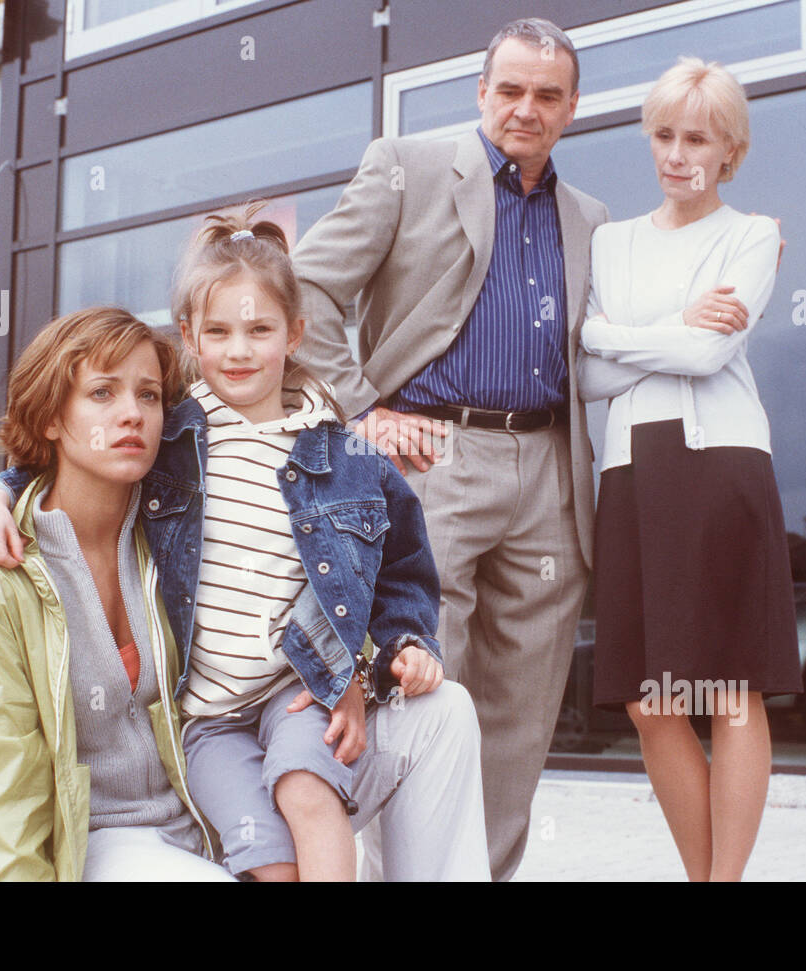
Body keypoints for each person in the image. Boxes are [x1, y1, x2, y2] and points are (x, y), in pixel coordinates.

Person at [0, 205, 490, 882]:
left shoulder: (338, 454)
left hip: (296, 691)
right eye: (220, 332)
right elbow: (52, 463)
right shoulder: (177, 443)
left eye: (259, 329)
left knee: (419, 726)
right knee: (269, 856)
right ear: (192, 337)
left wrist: (377, 662)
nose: (239, 349)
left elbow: (398, 568)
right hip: (197, 737)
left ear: (295, 333)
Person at [289, 16, 607, 881]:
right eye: (509, 90)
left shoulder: (592, 220)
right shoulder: (410, 167)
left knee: (518, 718)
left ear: (572, 107)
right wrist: (362, 406)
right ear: (482, 93)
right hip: (434, 458)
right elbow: (306, 286)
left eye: (547, 95)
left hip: (549, 473)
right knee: (421, 689)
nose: (525, 109)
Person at [577, 56, 803, 881]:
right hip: (634, 472)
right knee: (651, 699)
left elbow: (710, 354)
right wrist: (664, 328)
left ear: (728, 152)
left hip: (721, 464)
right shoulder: (611, 242)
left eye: (697, 139)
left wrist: (614, 334)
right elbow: (590, 378)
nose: (677, 154)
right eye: (664, 135)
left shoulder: (751, 234)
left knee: (731, 688)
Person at [0, 306, 232, 881]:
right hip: (103, 843)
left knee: (436, 718)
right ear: (51, 417)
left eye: (149, 396)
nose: (132, 414)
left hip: (219, 809)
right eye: (102, 392)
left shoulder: (177, 536)